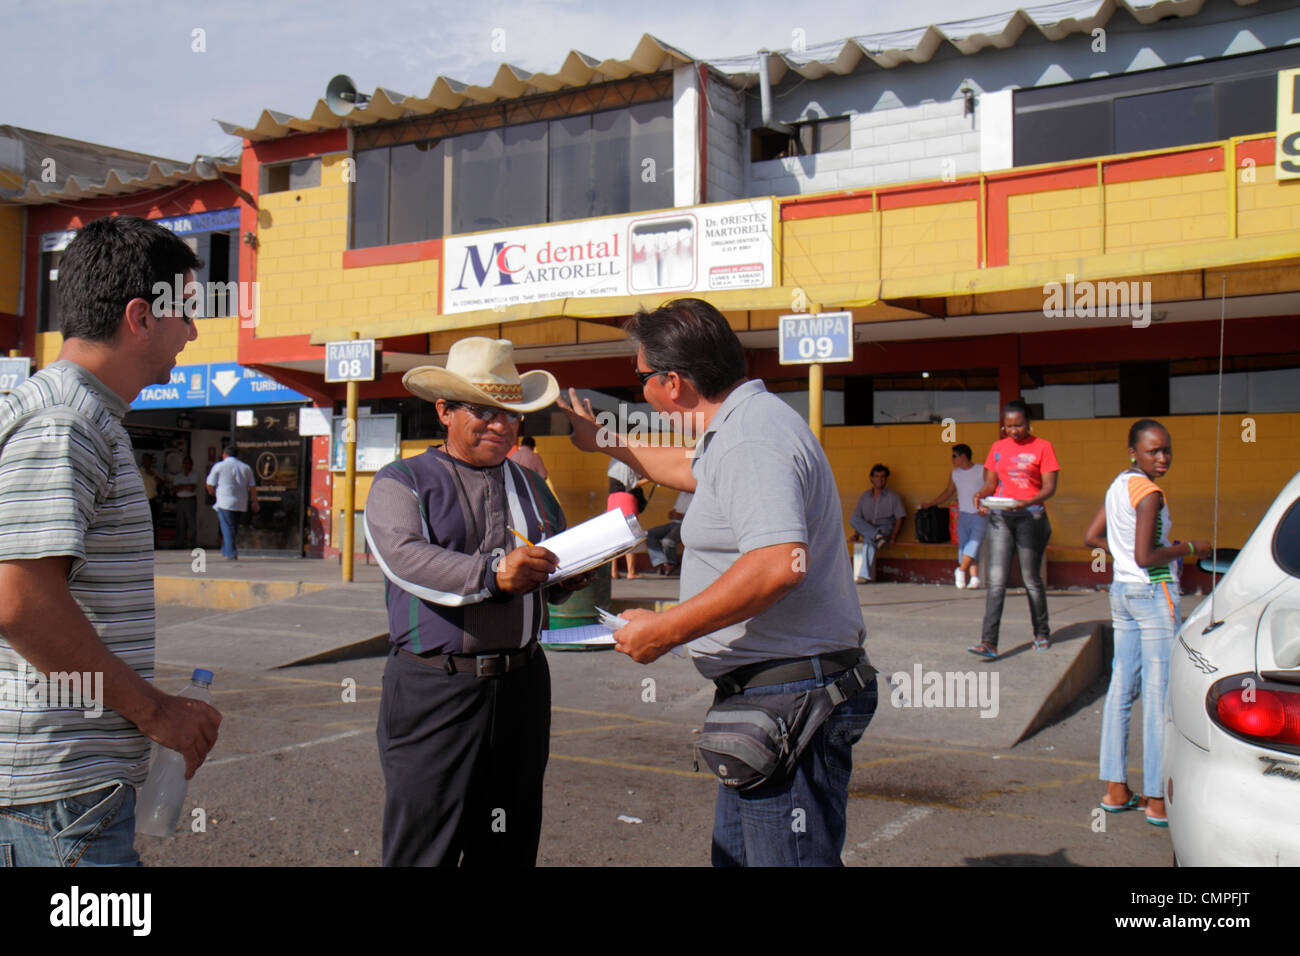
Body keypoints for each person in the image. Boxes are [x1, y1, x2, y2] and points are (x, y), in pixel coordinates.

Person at [558, 298, 877, 867]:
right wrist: (603, 439)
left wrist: (666, 631)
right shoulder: (741, 426)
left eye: (640, 379)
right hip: (769, 696)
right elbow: (686, 470)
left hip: (789, 699)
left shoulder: (752, 439)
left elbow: (779, 563)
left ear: (673, 383)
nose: (640, 392)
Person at [0, 215, 222, 866]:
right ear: (140, 317)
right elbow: (19, 601)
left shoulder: (78, 414)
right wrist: (153, 712)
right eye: (184, 310)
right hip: (58, 795)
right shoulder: (66, 421)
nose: (194, 329)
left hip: (62, 793)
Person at [364, 336, 592, 867]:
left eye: (510, 414)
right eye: (483, 412)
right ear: (443, 411)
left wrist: (565, 577)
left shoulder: (534, 488)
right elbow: (404, 557)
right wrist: (494, 574)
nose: (501, 425)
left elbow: (545, 562)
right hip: (434, 689)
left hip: (521, 686)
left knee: (509, 843)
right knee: (425, 846)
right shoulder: (402, 482)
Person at [1084, 419, 1208, 827]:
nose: (1162, 457)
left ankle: (1115, 789)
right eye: (1153, 450)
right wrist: (1190, 547)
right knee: (1156, 696)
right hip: (1153, 596)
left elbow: (1092, 537)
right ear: (1133, 451)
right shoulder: (1149, 494)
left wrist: (1120, 551)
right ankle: (1156, 799)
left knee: (1121, 687)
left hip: (1122, 593)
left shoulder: (1118, 485)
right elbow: (1145, 556)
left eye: (1167, 449)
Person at [969, 399, 1059, 659]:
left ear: (1028, 423)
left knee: (1031, 579)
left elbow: (1049, 487)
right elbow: (990, 484)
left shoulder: (1043, 447)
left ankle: (1041, 632)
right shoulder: (997, 448)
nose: (1013, 431)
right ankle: (988, 642)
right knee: (996, 582)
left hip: (1031, 518)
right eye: (1008, 426)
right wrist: (981, 497)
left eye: (1018, 425)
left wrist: (1027, 501)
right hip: (1001, 518)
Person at [920, 443, 987, 589]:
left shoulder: (981, 469)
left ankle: (961, 570)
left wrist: (986, 505)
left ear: (963, 456)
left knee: (974, 543)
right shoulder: (955, 473)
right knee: (965, 546)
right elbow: (948, 492)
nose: (952, 459)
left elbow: (992, 487)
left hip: (980, 514)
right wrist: (931, 503)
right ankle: (974, 577)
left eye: (954, 456)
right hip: (963, 514)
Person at [849, 464, 905, 583]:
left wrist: (894, 536)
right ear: (871, 478)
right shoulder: (865, 496)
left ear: (886, 479)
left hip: (885, 529)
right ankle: (876, 536)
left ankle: (863, 576)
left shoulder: (893, 496)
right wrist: (856, 534)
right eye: (877, 476)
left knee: (869, 539)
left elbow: (900, 518)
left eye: (883, 477)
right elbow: (858, 518)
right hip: (870, 528)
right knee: (853, 519)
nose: (880, 479)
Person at [205, 444, 258, 560]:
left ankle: (230, 553)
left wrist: (212, 492)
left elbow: (209, 484)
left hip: (225, 502)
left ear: (224, 455)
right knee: (232, 527)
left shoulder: (219, 466)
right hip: (240, 502)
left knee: (227, 528)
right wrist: (254, 501)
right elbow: (252, 486)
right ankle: (225, 550)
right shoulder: (246, 467)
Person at [607, 456, 649, 579]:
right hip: (626, 499)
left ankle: (613, 571)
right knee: (630, 535)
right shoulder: (627, 462)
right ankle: (631, 572)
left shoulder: (613, 463)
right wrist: (649, 479)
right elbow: (633, 484)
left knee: (614, 537)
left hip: (612, 499)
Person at [646, 491, 692, 575]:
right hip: (674, 523)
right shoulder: (682, 493)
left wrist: (682, 516)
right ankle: (661, 561)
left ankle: (672, 563)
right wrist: (672, 513)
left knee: (667, 541)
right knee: (649, 534)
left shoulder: (696, 495)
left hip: (685, 524)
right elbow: (676, 509)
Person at [172, 455, 200, 550]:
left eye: (188, 463)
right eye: (184, 463)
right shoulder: (178, 476)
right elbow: (175, 489)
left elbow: (192, 488)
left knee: (191, 522)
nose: (186, 465)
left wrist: (181, 486)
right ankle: (179, 543)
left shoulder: (194, 474)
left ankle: (192, 543)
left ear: (191, 465)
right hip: (180, 501)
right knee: (180, 522)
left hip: (190, 500)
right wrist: (185, 486)